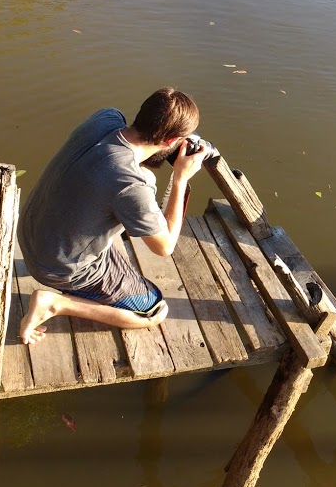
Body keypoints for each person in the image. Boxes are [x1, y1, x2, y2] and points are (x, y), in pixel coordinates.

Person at [18, 87, 216, 344]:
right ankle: (55, 303)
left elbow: (121, 162)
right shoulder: (130, 185)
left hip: (31, 234)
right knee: (153, 311)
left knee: (145, 178)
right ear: (170, 141)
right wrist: (180, 177)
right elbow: (165, 246)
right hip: (59, 267)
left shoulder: (105, 118)